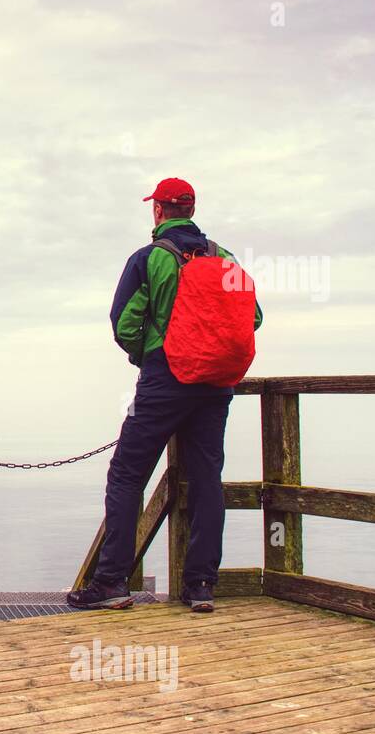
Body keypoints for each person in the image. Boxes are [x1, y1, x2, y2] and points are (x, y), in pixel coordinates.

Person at [67, 177, 262, 613]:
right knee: (207, 480)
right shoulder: (225, 259)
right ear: (191, 210)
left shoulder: (149, 258)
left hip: (165, 381)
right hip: (214, 385)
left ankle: (112, 581)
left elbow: (124, 324)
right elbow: (255, 317)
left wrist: (151, 357)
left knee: (127, 474)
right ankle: (200, 586)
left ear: (158, 211)